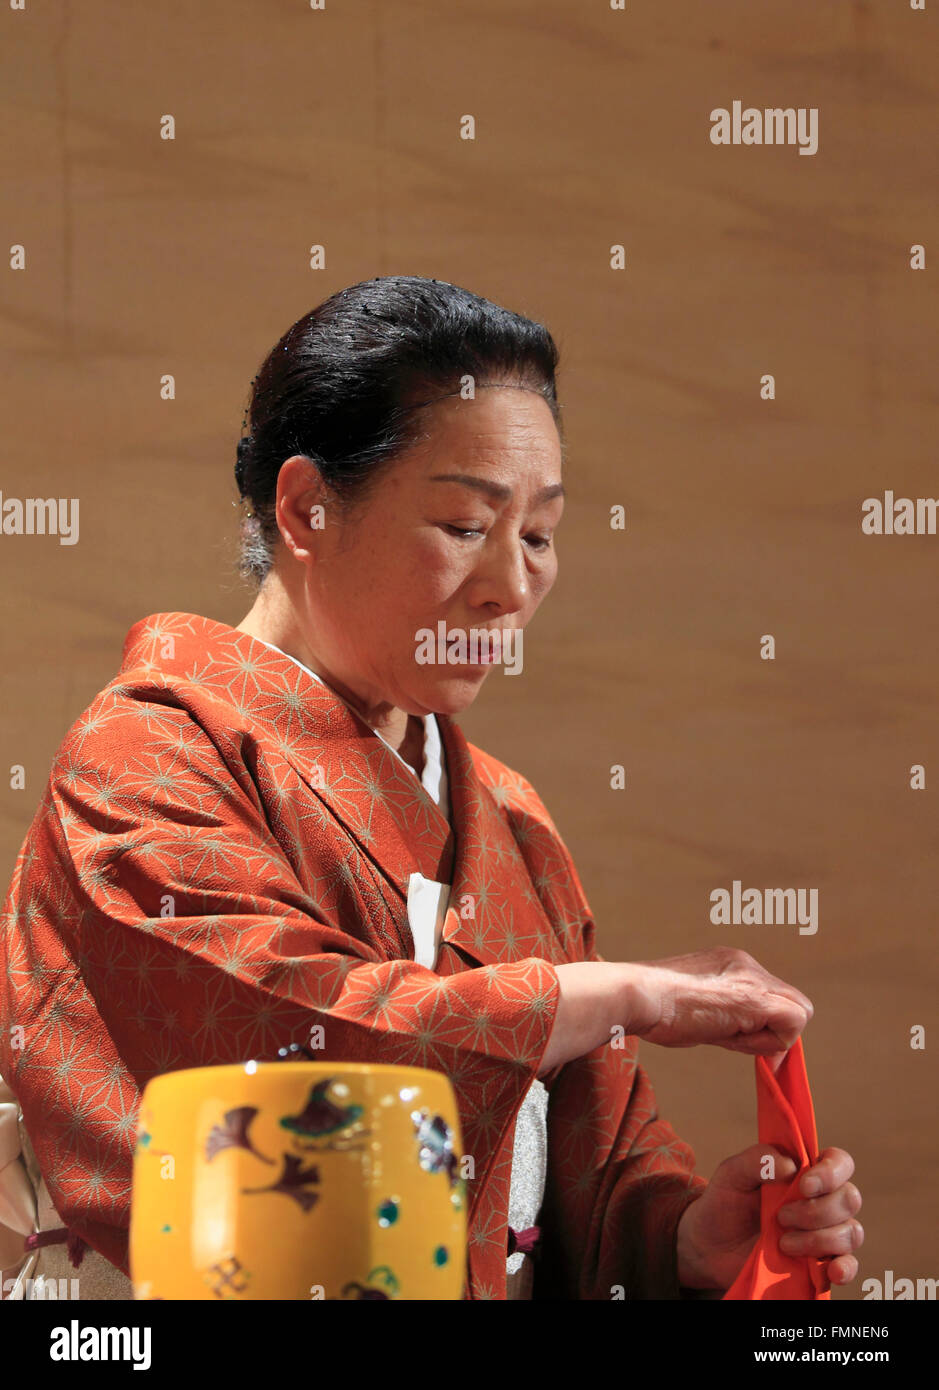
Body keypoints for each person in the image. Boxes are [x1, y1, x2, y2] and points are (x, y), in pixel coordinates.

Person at [0, 276, 862, 1301]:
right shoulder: (145, 753)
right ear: (305, 506)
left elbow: (595, 1153)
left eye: (539, 535)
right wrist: (624, 991)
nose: (512, 582)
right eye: (464, 525)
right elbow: (297, 1042)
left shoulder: (507, 814)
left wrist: (682, 1239)